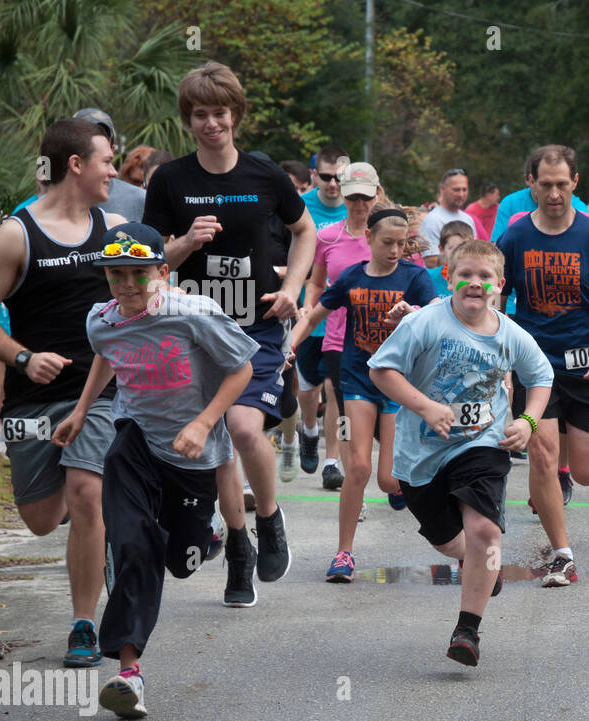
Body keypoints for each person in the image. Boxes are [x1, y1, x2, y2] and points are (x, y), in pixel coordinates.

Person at [51, 224, 257, 718]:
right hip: (135, 438)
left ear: (163, 272)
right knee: (132, 544)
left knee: (180, 563)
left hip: (192, 456)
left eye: (139, 275)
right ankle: (129, 672)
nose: (126, 285)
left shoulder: (194, 314)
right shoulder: (101, 319)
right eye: (116, 275)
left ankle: (208, 538)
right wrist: (81, 412)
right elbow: (105, 354)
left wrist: (204, 423)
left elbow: (242, 368)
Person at [144, 61, 317, 608]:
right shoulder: (170, 180)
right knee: (214, 447)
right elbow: (149, 260)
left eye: (219, 113)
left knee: (244, 429)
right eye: (200, 115)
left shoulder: (264, 174)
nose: (211, 124)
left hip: (258, 328)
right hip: (195, 332)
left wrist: (293, 287)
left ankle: (269, 521)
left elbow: (304, 230)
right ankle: (237, 549)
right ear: (188, 120)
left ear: (235, 115)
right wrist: (184, 244)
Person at [368, 240, 553, 667]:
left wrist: (527, 422)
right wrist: (426, 407)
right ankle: (483, 571)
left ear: (499, 285)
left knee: (485, 533)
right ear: (449, 278)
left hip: (481, 443)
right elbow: (380, 369)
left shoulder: (510, 333)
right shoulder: (426, 323)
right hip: (421, 455)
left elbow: (541, 376)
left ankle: (467, 629)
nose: (475, 282)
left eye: (484, 276)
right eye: (465, 274)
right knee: (452, 541)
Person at [0, 118, 124, 667]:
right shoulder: (15, 234)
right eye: (106, 161)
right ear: (77, 165)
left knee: (86, 493)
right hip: (34, 399)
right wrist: (22, 357)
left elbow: (143, 291)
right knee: (42, 517)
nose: (113, 172)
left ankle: (82, 626)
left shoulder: (115, 228)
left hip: (98, 393)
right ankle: (95, 536)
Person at [496, 144, 589, 586]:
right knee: (539, 452)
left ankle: (562, 475)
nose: (553, 193)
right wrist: (501, 362)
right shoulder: (516, 236)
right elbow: (497, 297)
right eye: (545, 184)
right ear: (530, 183)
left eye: (561, 184)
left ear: (575, 183)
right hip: (536, 366)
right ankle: (563, 554)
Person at [293, 204, 437, 580]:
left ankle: (398, 487)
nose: (394, 250)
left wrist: (414, 314)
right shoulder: (353, 278)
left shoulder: (414, 277)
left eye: (401, 244)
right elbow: (314, 315)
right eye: (387, 242)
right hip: (358, 377)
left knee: (389, 479)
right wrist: (289, 346)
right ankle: (343, 554)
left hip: (399, 383)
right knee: (358, 466)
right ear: (369, 238)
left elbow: (439, 315)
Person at [305, 161, 385, 492]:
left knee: (387, 419)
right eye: (353, 197)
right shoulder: (327, 237)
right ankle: (352, 482)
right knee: (348, 418)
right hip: (340, 341)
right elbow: (317, 284)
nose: (360, 205)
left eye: (366, 197)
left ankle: (395, 478)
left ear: (377, 195)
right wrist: (308, 310)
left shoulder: (391, 237)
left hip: (386, 340)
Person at [490, 147, 589, 243]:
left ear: (574, 181)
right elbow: (497, 250)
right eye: (545, 184)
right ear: (530, 180)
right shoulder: (511, 205)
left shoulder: (581, 211)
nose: (554, 195)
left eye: (561, 184)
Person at [72, 109, 147, 222]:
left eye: (101, 139)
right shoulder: (53, 201)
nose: (92, 147)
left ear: (112, 150)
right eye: (85, 140)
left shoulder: (140, 199)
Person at [420, 168, 478, 268]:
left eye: (464, 189)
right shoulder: (432, 220)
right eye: (456, 190)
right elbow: (430, 261)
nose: (461, 194)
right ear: (443, 189)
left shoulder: (468, 219)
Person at [302, 146, 352, 233]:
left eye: (339, 177)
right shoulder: (301, 206)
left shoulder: (358, 206)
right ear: (315, 175)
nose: (332, 184)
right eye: (326, 177)